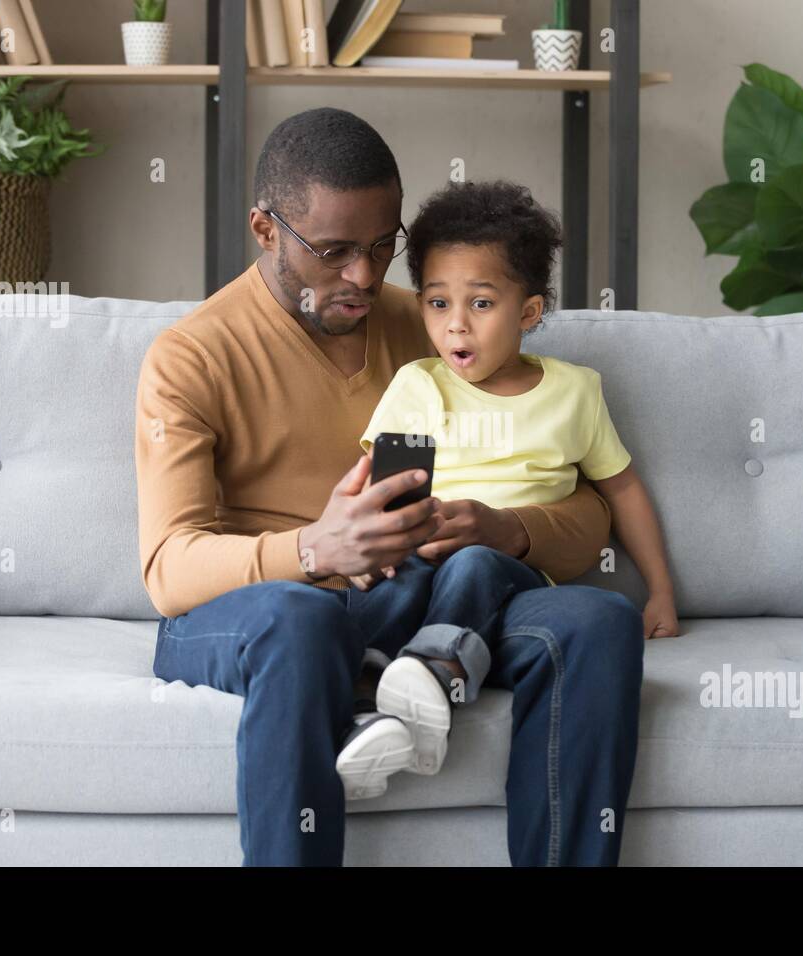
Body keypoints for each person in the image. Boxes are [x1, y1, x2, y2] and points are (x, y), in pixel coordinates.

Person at [135, 107, 644, 866]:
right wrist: (311, 549)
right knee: (302, 621)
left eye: (382, 247)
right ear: (266, 229)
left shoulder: (438, 323)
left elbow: (590, 505)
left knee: (598, 623)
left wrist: (507, 530)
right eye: (335, 251)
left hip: (433, 604)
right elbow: (169, 571)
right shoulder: (191, 358)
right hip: (272, 613)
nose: (365, 277)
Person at [334, 180, 678, 800]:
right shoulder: (420, 385)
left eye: (482, 304)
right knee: (395, 580)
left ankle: (434, 672)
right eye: (438, 304)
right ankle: (373, 706)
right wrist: (371, 548)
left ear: (529, 312)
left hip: (511, 573)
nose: (456, 325)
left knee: (474, 561)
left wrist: (660, 591)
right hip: (423, 559)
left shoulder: (575, 391)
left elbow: (623, 491)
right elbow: (386, 489)